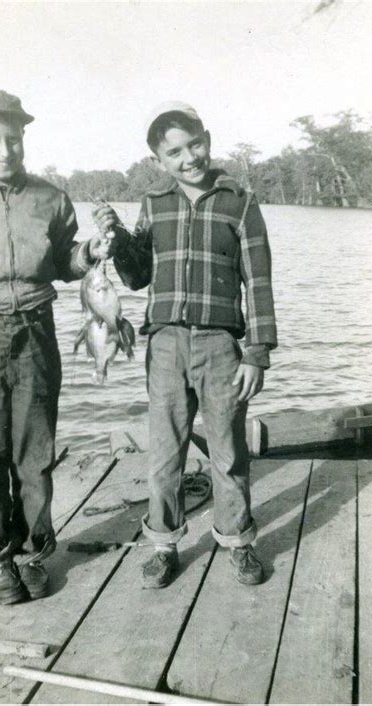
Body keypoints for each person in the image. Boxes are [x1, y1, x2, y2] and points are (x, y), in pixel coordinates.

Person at [0, 90, 111, 604]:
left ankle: (32, 552)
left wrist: (89, 253)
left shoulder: (50, 198)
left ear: (24, 139)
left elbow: (63, 264)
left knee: (35, 452)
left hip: (35, 331)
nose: (4, 150)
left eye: (13, 139)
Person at [93, 101, 277, 588]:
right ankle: (163, 545)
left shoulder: (240, 200)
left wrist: (257, 352)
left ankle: (237, 541)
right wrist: (116, 239)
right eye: (174, 152)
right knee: (165, 453)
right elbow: (135, 278)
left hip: (221, 348)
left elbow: (258, 282)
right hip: (166, 346)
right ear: (159, 160)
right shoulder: (154, 203)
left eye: (194, 144)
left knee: (229, 452)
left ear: (208, 139)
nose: (188, 157)